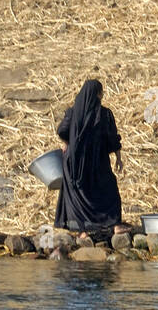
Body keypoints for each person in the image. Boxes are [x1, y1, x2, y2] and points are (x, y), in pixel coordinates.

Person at [55, 79, 129, 239]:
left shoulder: (72, 112)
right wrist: (118, 158)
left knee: (77, 195)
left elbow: (62, 130)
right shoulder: (105, 114)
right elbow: (112, 138)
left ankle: (82, 231)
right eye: (101, 92)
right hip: (97, 161)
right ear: (98, 94)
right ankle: (115, 225)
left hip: (75, 163)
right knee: (108, 190)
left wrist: (67, 144)